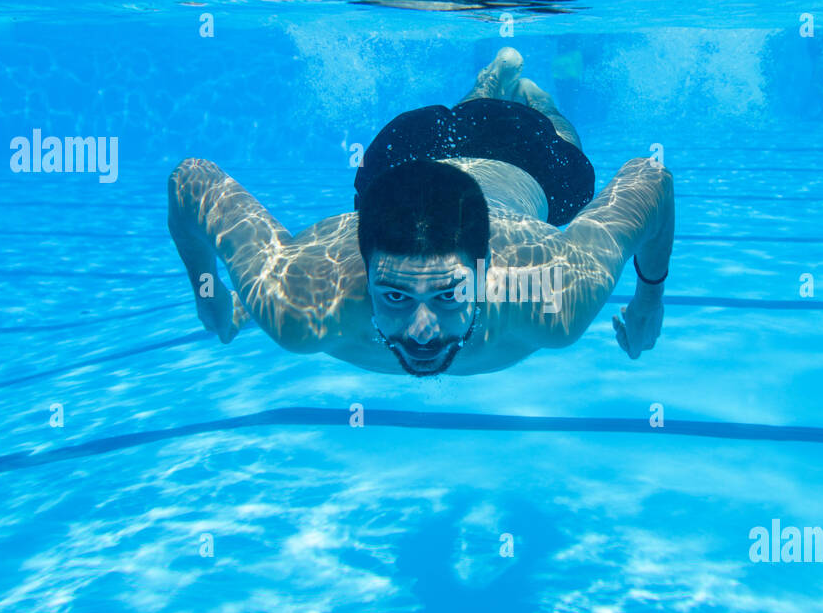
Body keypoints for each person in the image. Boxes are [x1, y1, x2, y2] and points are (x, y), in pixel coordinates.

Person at [167, 47, 673, 376]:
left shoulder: (551, 294)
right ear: (363, 273)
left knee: (560, 138)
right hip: (405, 166)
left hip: (503, 157)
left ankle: (526, 95)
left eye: (450, 294)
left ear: (484, 271)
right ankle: (490, 87)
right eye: (394, 294)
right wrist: (208, 296)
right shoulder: (298, 303)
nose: (423, 329)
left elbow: (651, 178)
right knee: (492, 135)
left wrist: (650, 299)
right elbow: (189, 178)